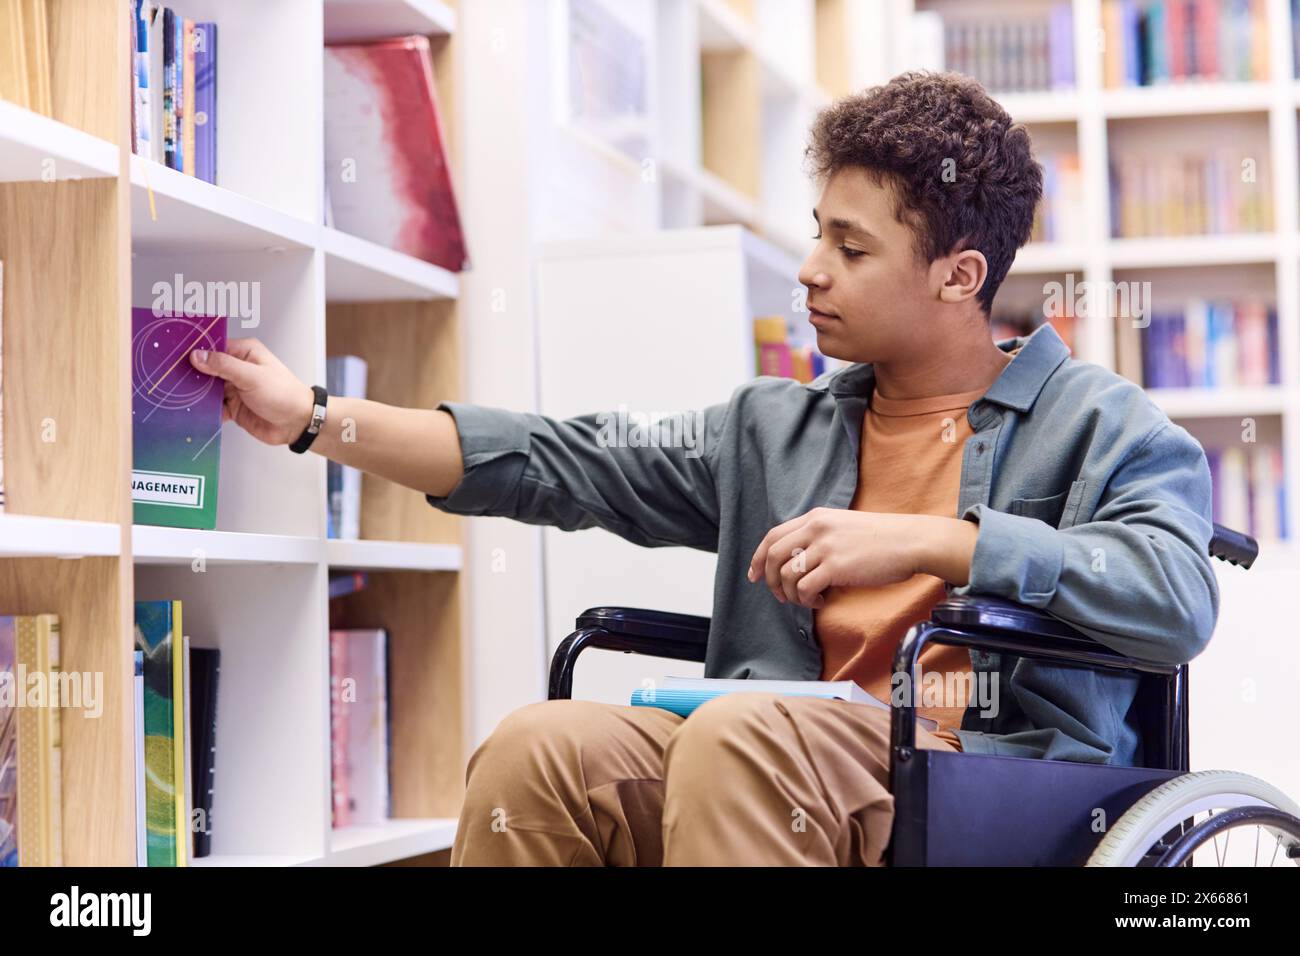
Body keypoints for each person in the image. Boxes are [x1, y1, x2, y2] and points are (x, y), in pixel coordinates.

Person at [189, 71, 1219, 866]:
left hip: (995, 776)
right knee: (537, 749)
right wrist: (312, 417)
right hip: (782, 748)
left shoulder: (1100, 421)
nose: (811, 268)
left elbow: (1176, 597)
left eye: (850, 251)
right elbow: (562, 459)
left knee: (740, 737)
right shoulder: (774, 429)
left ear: (959, 276)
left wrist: (938, 540)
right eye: (819, 233)